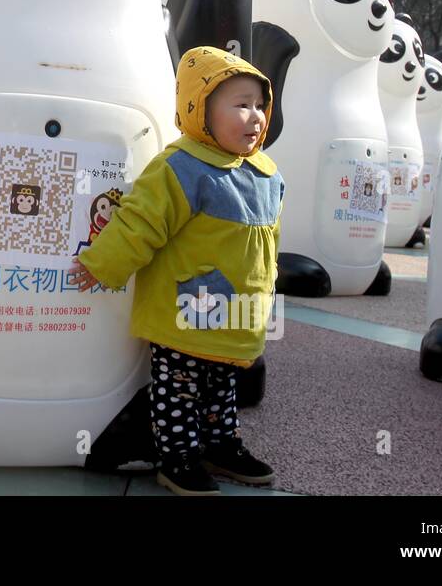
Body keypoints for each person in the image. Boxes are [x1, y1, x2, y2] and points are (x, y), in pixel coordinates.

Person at [69, 46, 284, 496]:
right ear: (201, 110)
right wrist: (103, 264)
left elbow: (268, 244)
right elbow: (141, 220)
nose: (255, 116)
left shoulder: (266, 172)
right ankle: (178, 456)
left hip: (237, 313)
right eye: (240, 105)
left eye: (260, 104)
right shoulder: (183, 167)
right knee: (179, 389)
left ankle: (221, 443)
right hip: (186, 309)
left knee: (222, 385)